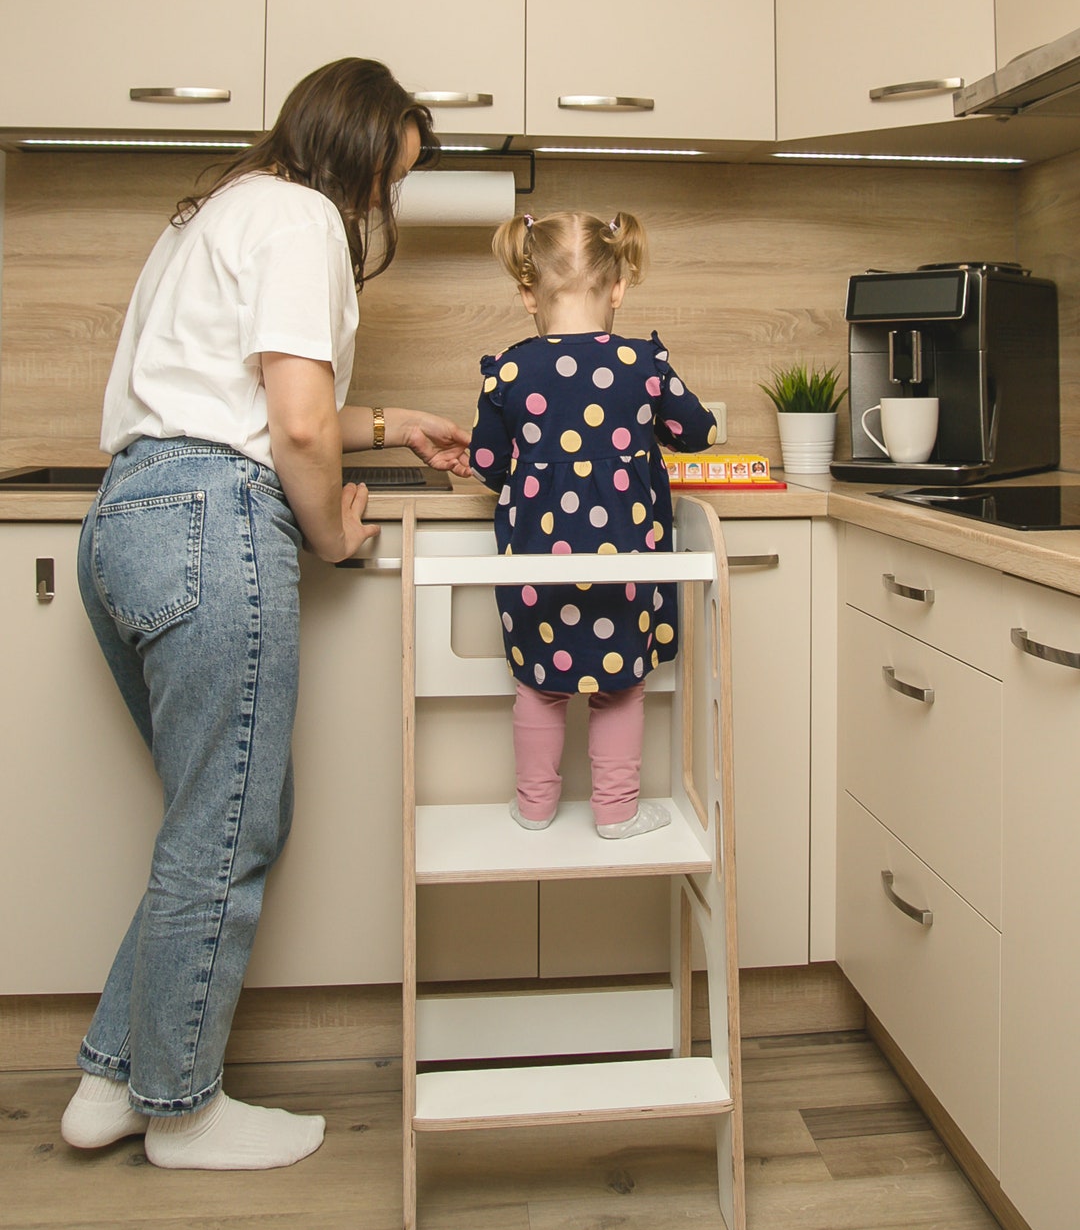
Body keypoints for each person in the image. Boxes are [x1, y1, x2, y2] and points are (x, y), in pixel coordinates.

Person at [60, 58, 471, 1171]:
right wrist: (334, 536)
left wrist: (391, 420)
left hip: (130, 515)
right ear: (355, 156)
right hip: (211, 518)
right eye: (389, 179)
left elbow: (242, 396)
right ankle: (184, 1109)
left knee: (220, 810)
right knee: (228, 821)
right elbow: (291, 430)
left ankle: (113, 1077)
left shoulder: (215, 212)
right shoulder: (300, 219)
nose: (383, 205)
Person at [469, 211, 716, 840]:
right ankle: (616, 811)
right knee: (620, 686)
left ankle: (533, 808)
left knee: (538, 686)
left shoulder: (510, 370)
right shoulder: (642, 363)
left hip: (537, 566)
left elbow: (487, 463)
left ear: (528, 291)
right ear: (618, 287)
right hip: (626, 565)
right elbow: (697, 433)